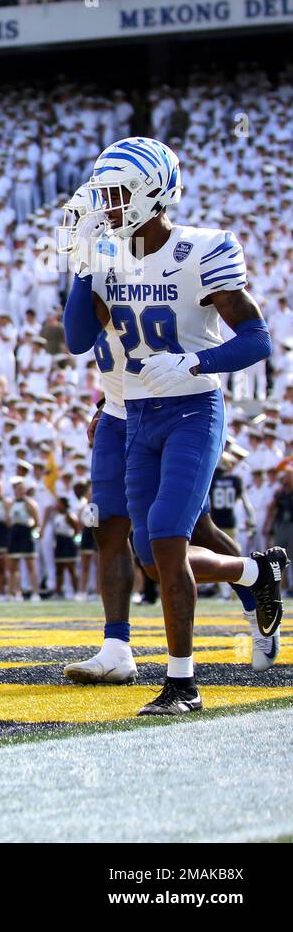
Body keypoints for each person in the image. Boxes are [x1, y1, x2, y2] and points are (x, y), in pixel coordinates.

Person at [60, 146, 287, 709]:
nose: (104, 209)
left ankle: (183, 680)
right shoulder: (108, 255)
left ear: (155, 193)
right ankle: (250, 575)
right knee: (146, 542)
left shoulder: (203, 249)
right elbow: (76, 338)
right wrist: (83, 264)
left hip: (191, 404)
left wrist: (194, 362)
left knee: (166, 536)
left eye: (116, 196)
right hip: (129, 408)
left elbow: (257, 340)